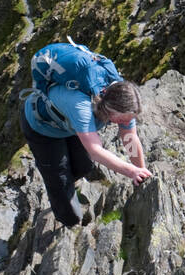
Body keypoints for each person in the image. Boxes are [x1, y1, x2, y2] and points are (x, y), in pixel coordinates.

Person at [20, 75, 152, 227]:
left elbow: (129, 138)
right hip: (42, 127)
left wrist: (141, 171)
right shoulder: (81, 107)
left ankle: (66, 189)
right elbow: (95, 151)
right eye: (123, 120)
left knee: (84, 166)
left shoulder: (123, 94)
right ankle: (68, 223)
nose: (126, 123)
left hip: (69, 124)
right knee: (62, 184)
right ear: (110, 109)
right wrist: (132, 171)